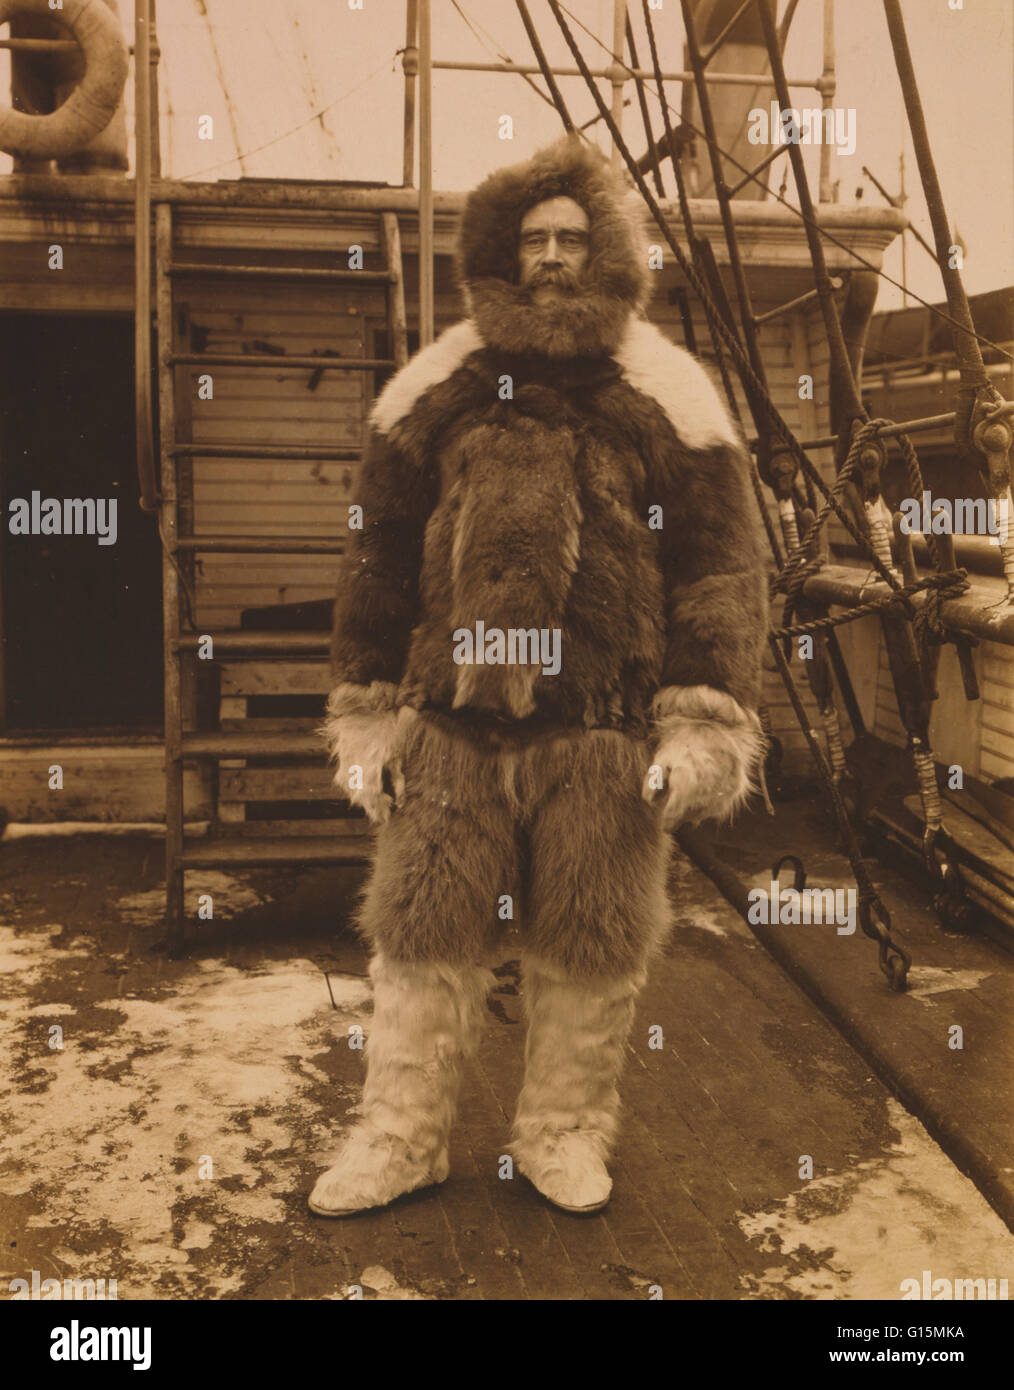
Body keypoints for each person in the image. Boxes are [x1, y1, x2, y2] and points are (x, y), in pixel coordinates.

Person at [310, 136, 766, 1218]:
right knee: (420, 939)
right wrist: (368, 714)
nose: (554, 258)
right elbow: (377, 556)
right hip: (451, 729)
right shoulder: (437, 386)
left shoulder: (668, 390)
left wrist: (699, 726)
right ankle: (401, 1139)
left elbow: (717, 571)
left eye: (572, 237)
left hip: (601, 731)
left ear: (605, 247)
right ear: (503, 256)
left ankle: (560, 1134)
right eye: (534, 242)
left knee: (591, 944)